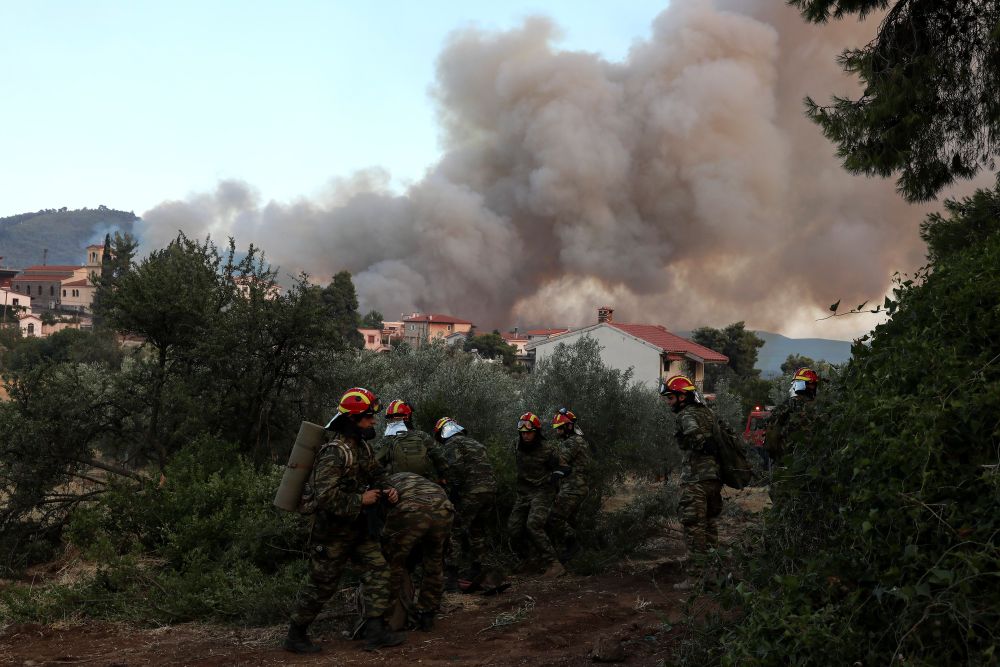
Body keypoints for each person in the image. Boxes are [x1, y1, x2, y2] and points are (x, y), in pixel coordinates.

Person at [283, 387, 406, 654]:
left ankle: (375, 631)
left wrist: (388, 489)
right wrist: (360, 500)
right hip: (332, 534)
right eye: (368, 417)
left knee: (378, 570)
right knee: (322, 584)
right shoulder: (334, 453)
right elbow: (325, 496)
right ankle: (296, 634)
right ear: (352, 419)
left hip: (359, 530)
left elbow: (377, 474)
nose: (373, 421)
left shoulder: (361, 447)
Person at [659, 375, 722, 590]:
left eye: (671, 398)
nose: (669, 403)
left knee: (694, 528)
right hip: (714, 479)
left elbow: (697, 438)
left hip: (696, 480)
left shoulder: (686, 415)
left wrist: (700, 444)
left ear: (682, 396)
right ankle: (714, 576)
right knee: (710, 527)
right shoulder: (708, 412)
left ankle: (696, 580)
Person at [381, 471, 455, 632]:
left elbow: (385, 525)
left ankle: (387, 618)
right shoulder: (420, 479)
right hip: (445, 507)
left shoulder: (384, 483)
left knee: (393, 565)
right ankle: (427, 615)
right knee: (434, 563)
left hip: (413, 510)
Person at [433, 417, 497, 588]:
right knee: (478, 530)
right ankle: (481, 570)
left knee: (454, 529)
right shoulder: (476, 444)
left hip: (471, 493)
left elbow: (455, 470)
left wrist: (452, 494)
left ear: (442, 432)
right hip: (489, 492)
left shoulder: (452, 444)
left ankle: (452, 576)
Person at [507, 412, 567, 578]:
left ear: (537, 432)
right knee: (513, 529)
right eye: (523, 432)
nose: (525, 435)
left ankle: (554, 563)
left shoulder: (547, 449)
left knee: (533, 524)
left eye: (529, 432)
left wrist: (554, 478)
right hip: (523, 493)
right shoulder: (516, 445)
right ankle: (531, 560)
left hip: (542, 491)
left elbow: (563, 467)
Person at [547, 408, 592, 561]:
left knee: (555, 518)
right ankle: (581, 555)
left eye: (560, 428)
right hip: (576, 486)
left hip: (573, 487)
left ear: (569, 426)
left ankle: (573, 546)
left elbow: (559, 460)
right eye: (556, 428)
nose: (557, 432)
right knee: (572, 520)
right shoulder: (576, 440)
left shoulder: (574, 441)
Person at [376, 399, 449, 483]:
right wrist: (443, 477)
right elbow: (440, 455)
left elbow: (375, 464)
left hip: (397, 487)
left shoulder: (386, 440)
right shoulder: (422, 435)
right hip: (425, 484)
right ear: (409, 416)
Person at [765, 367, 820, 462]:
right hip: (810, 459)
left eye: (799, 383)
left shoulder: (788, 405)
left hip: (789, 460)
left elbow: (771, 439)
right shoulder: (820, 406)